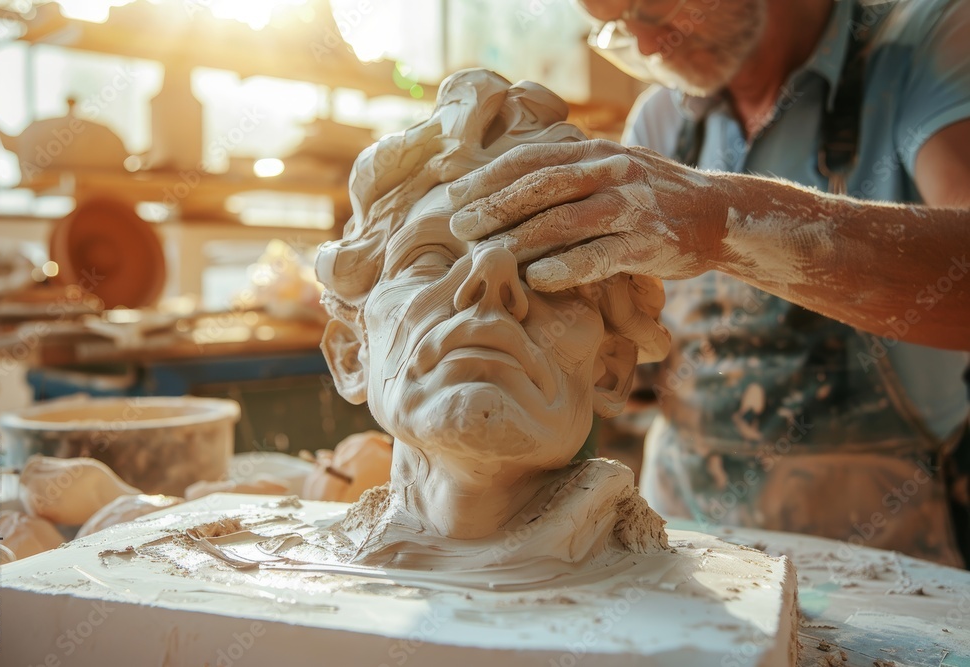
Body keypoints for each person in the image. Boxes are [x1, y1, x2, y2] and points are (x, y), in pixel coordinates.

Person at [447, 0, 970, 567]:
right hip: (688, 540)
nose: (648, 46)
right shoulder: (661, 118)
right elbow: (646, 343)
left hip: (882, 546)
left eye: (649, 9)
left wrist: (724, 221)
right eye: (617, 28)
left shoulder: (925, 43)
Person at [312, 70, 669, 580]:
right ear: (353, 355)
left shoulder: (665, 609)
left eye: (549, 270)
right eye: (428, 258)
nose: (492, 271)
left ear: (609, 372)